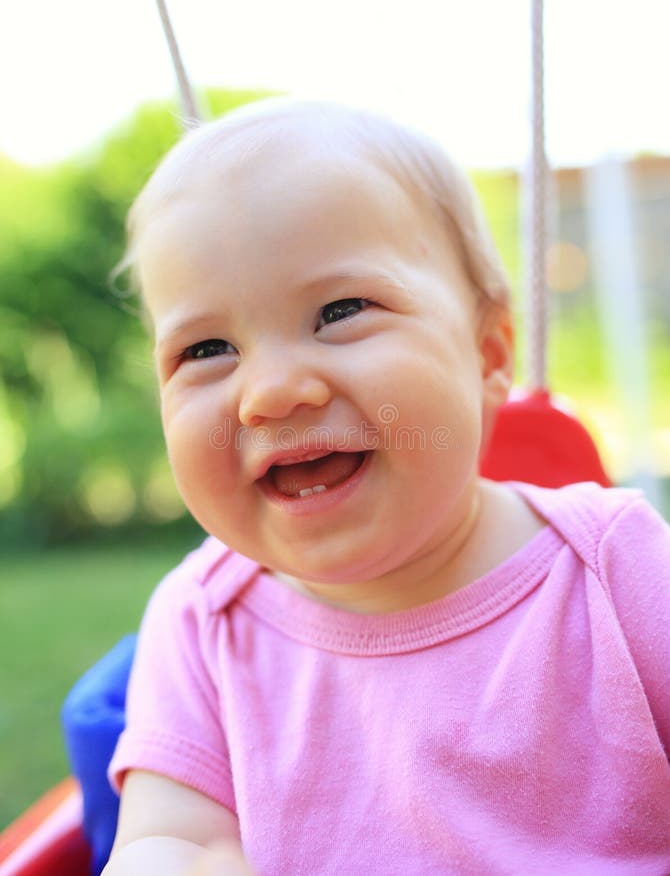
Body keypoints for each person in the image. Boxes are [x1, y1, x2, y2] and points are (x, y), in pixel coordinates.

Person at [103, 99, 670, 875]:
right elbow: (179, 842)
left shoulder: (617, 568)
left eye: (340, 311)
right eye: (206, 348)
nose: (270, 392)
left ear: (486, 354)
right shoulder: (203, 619)